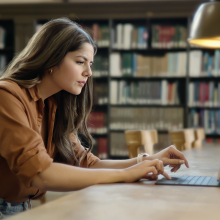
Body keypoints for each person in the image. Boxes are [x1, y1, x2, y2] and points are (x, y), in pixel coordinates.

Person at [0, 17, 189, 219]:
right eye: (80, 62)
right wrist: (125, 174)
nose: (88, 72)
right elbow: (40, 174)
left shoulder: (53, 104)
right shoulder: (7, 95)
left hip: (20, 207)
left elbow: (86, 163)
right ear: (51, 59)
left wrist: (147, 160)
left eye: (90, 64)